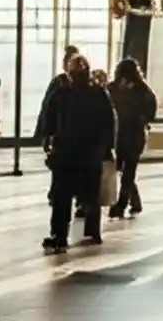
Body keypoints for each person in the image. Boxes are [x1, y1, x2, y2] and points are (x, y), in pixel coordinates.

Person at [41, 54, 115, 253]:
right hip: (90, 153)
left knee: (62, 196)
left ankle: (59, 234)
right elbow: (109, 122)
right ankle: (92, 231)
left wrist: (48, 140)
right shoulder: (98, 94)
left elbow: (49, 120)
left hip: (65, 154)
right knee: (91, 195)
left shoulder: (61, 94)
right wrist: (106, 149)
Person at [107, 57, 158, 219]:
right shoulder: (143, 89)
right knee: (128, 170)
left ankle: (122, 203)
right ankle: (133, 201)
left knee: (122, 169)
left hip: (118, 134)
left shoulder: (112, 88)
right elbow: (151, 111)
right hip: (135, 134)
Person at [35, 45, 79, 143]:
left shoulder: (58, 83)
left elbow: (47, 107)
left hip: (61, 133)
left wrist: (44, 132)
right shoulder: (89, 87)